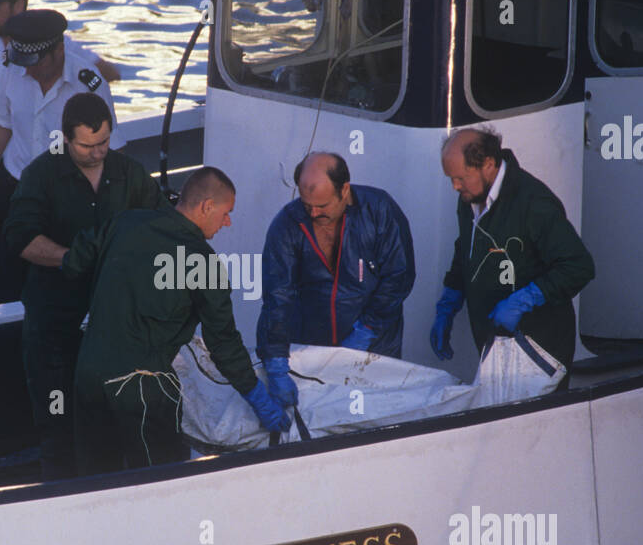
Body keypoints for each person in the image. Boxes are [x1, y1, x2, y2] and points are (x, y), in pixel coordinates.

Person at [65, 167, 290, 475]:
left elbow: (73, 263)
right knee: (162, 485)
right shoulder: (203, 262)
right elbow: (222, 342)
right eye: (226, 213)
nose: (228, 222)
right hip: (141, 388)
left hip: (87, 376)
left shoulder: (125, 223)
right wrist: (256, 395)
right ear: (207, 206)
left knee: (94, 483)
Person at [2, 92, 167, 480]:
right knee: (57, 425)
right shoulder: (40, 175)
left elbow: (162, 226)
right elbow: (20, 237)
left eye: (104, 144)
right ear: (66, 138)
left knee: (114, 426)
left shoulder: (129, 173)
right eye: (87, 146)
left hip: (114, 330)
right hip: (56, 326)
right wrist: (73, 257)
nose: (97, 153)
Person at [0, 9, 126, 305]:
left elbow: (110, 151)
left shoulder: (88, 83)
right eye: (23, 61)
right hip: (15, 181)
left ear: (59, 50)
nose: (27, 70)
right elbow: (1, 123)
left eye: (35, 62)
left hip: (65, 191)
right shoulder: (11, 68)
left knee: (60, 278)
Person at [430, 126, 595, 378]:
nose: (454, 186)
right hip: (494, 344)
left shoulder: (533, 203)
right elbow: (466, 245)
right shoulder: (469, 197)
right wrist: (449, 302)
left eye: (461, 177)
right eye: (451, 178)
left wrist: (526, 298)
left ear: (488, 164)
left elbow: (578, 265)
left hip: (539, 350)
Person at [256, 151, 415, 408]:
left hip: (375, 349)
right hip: (314, 353)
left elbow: (399, 276)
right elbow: (277, 298)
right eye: (307, 205)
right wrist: (274, 360)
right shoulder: (286, 225)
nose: (314, 213)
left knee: (374, 419)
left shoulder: (379, 210)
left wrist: (367, 330)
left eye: (322, 205)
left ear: (344, 190)